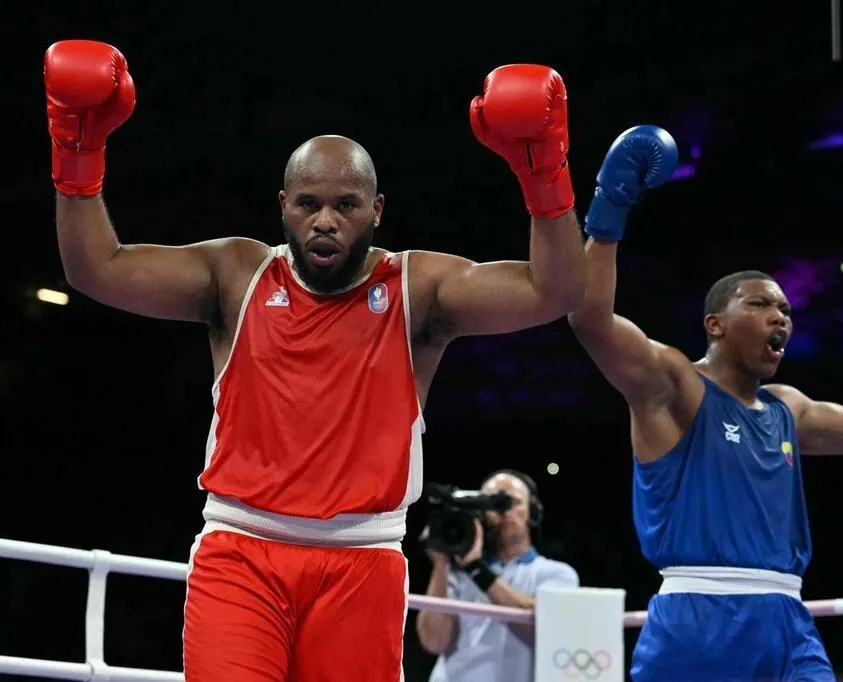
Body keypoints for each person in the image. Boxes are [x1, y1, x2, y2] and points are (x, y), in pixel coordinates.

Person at [44, 39, 586, 681]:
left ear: (376, 211)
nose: (325, 221)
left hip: (364, 562)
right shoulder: (236, 275)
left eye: (346, 205)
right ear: (284, 208)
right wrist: (77, 155)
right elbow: (96, 270)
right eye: (308, 205)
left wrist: (543, 177)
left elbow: (553, 292)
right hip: (241, 552)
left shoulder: (417, 292)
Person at [566, 125, 843, 681]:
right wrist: (610, 208)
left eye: (786, 309)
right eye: (760, 304)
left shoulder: (785, 407)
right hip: (700, 616)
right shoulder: (676, 387)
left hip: (787, 617)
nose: (782, 316)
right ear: (715, 325)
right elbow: (589, 319)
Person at [416, 469, 579, 682]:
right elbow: (433, 642)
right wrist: (440, 565)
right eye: (494, 504)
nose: (504, 512)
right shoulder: (457, 576)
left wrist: (477, 568)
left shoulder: (557, 574)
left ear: (533, 511)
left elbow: (543, 626)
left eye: (513, 502)